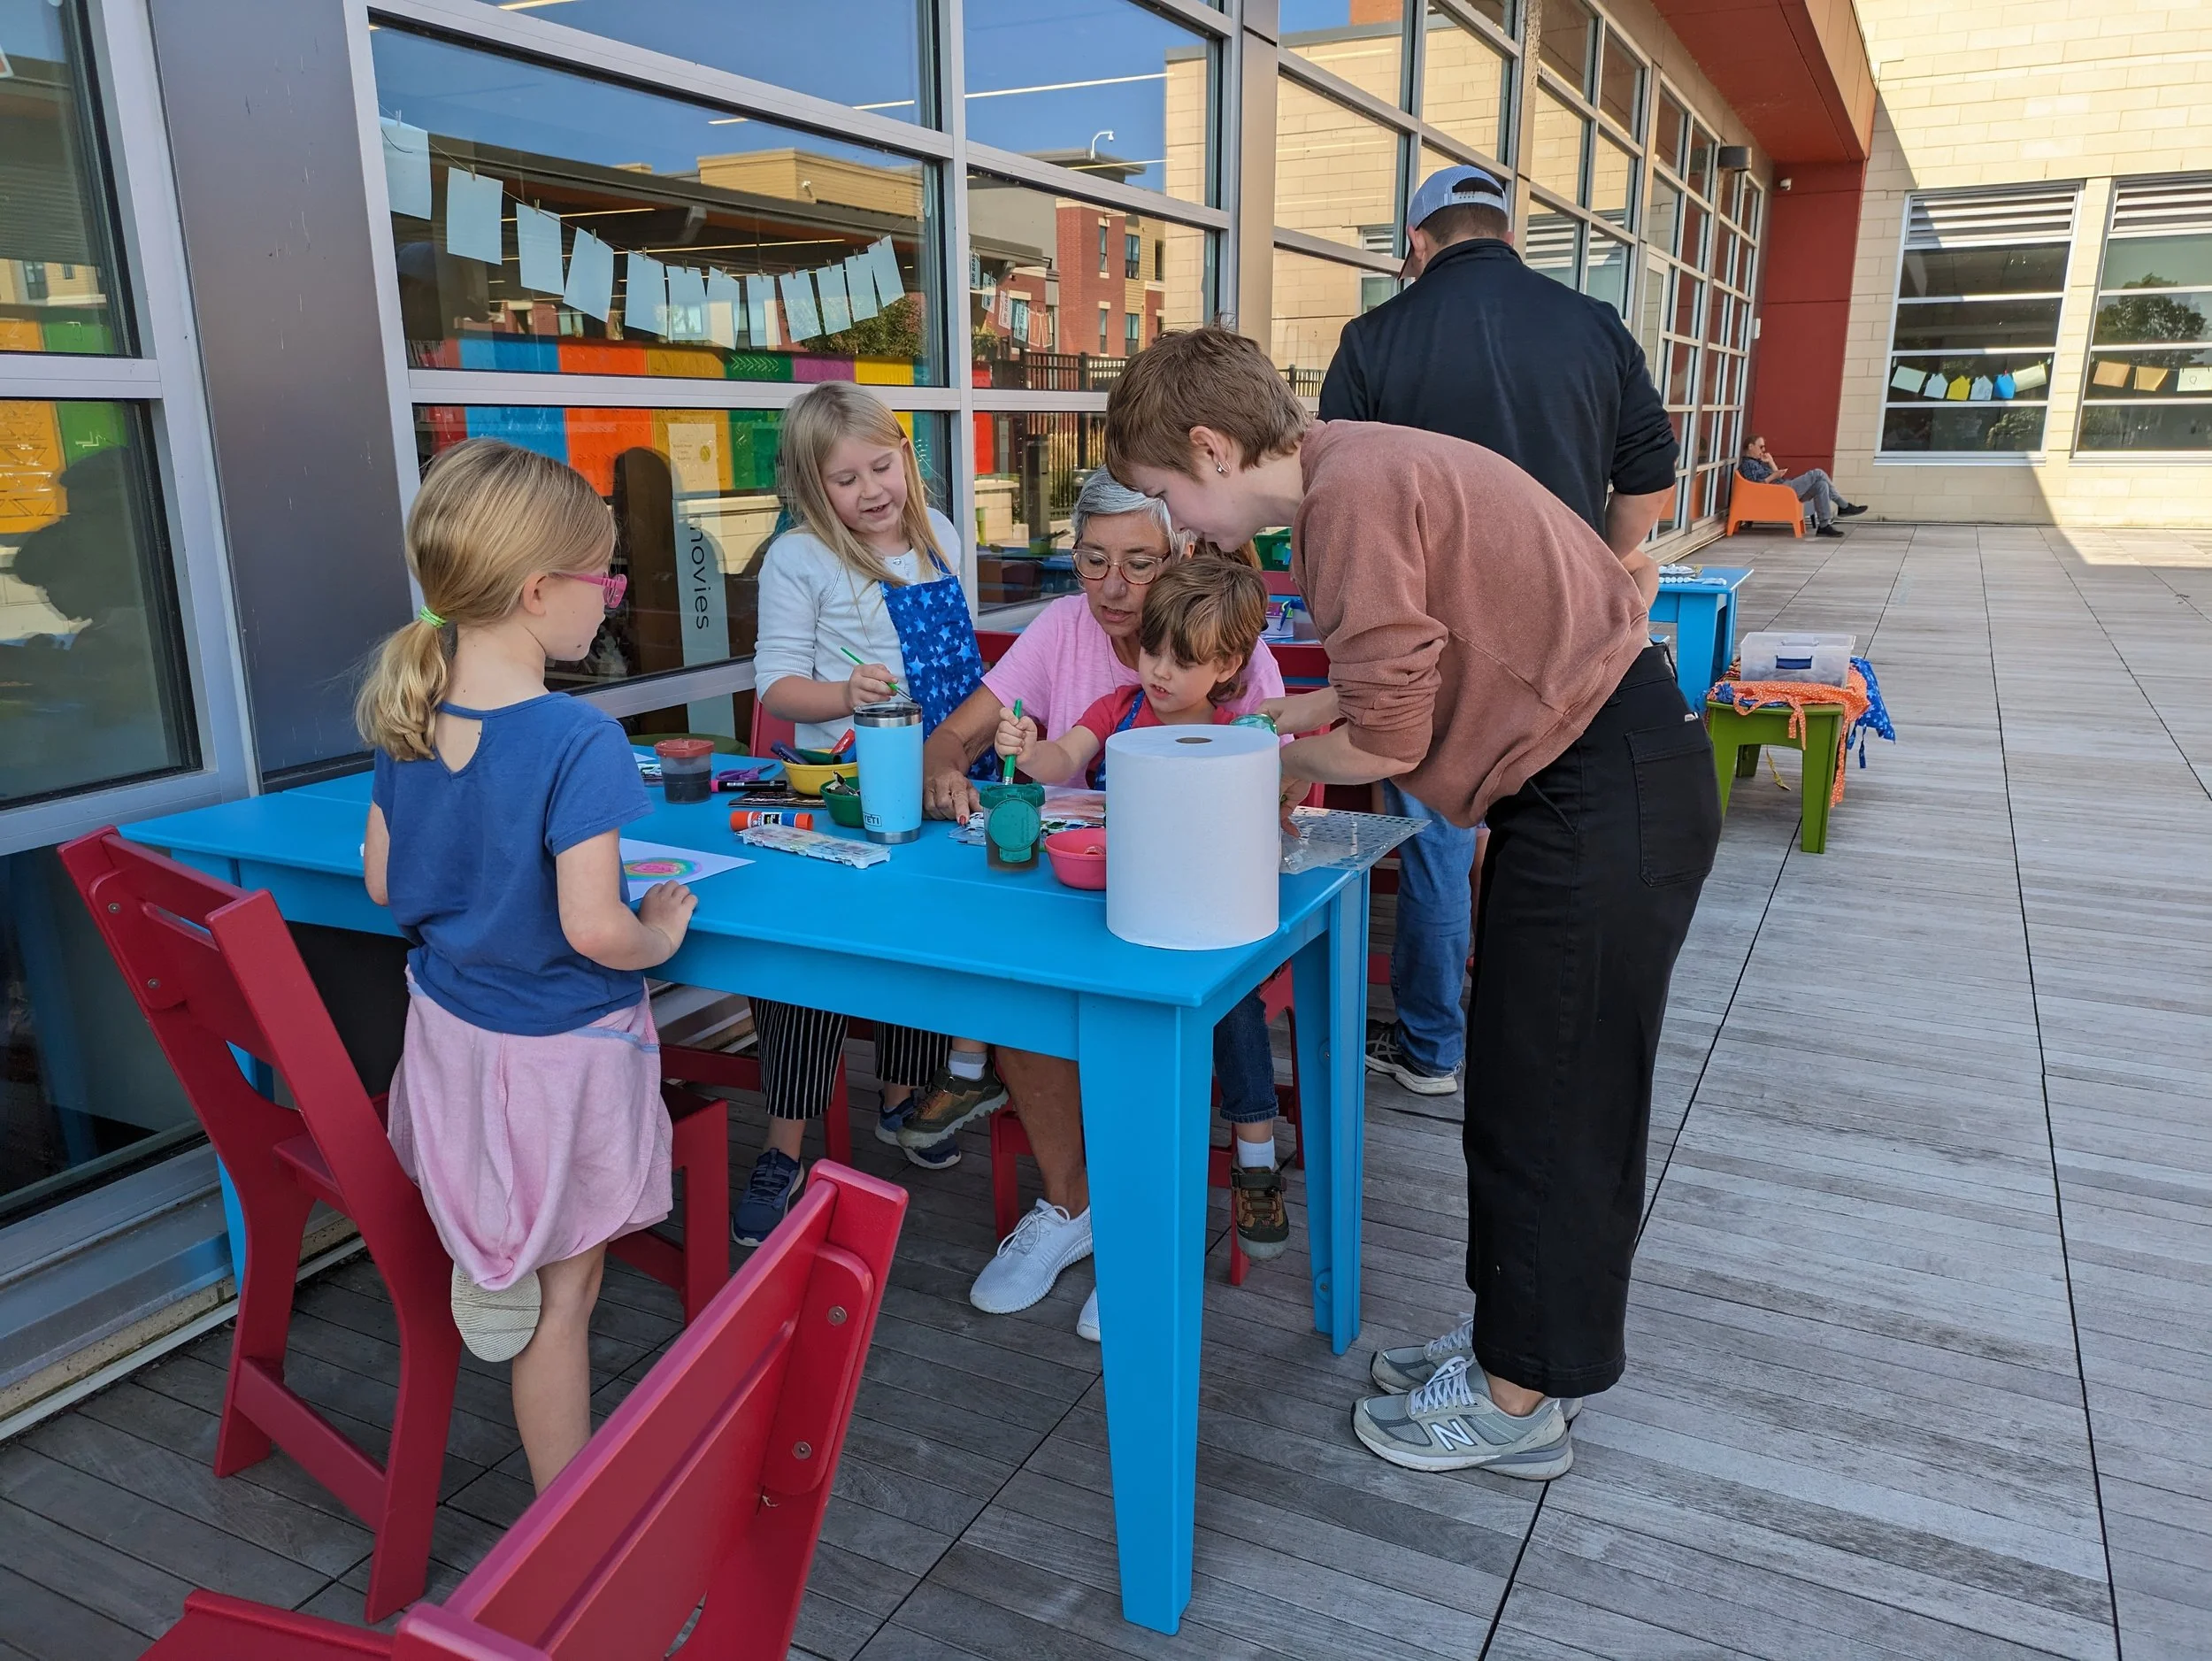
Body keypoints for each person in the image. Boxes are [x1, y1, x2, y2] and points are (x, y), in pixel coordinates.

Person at [1107, 327, 1720, 1480]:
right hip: (1607, 778)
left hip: (1602, 791)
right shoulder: (1354, 462)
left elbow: (1391, 735)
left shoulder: (1347, 507)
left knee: (1556, 1108)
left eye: (1168, 494)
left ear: (1211, 445)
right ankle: (1513, 1346)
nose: (1180, 527)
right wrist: (1286, 723)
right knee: (1521, 1094)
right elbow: (1411, 668)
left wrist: (1275, 763)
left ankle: (1518, 1398)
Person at [357, 438, 697, 1493]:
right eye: (607, 577)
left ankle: (487, 1246)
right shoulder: (574, 738)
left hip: (452, 1039)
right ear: (539, 589)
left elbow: (380, 883)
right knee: (569, 1297)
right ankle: (572, 1526)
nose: (615, 596)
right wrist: (665, 932)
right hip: (559, 1058)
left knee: (515, 1229)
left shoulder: (408, 712)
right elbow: (597, 931)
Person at [1319, 165, 1679, 1100]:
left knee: (1437, 837)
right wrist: (1590, 565)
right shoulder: (1592, 324)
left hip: (1431, 640)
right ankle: (1513, 1026)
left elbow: (1340, 486)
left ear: (1416, 246)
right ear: (1506, 234)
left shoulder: (1375, 335)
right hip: (1565, 651)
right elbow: (1649, 483)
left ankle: (1433, 1043)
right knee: (1542, 843)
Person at [914, 473, 1295, 1338]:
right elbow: (988, 735)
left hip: (1189, 905)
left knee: (1158, 1000)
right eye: (1092, 561)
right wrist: (947, 758)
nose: (1115, 588)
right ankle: (1072, 1202)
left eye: (1139, 562)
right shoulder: (1065, 631)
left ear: (1182, 554)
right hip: (1086, 888)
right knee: (1019, 969)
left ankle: (1144, 1226)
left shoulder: (1227, 647)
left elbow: (1282, 773)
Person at [743, 381, 999, 1242]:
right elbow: (776, 684)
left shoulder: (942, 541)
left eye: (880, 466)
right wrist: (841, 690)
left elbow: (962, 677)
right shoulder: (801, 558)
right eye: (844, 479)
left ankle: (903, 1091)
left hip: (932, 781)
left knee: (929, 936)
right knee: (804, 955)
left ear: (906, 457)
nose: (870, 490)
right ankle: (784, 1141)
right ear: (813, 488)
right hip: (837, 786)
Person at [1740, 434, 1865, 537]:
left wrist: (1771, 463)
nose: (1763, 450)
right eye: (1761, 447)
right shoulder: (1748, 465)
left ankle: (1824, 526)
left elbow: (1777, 478)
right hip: (1779, 491)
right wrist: (1773, 476)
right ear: (1751, 447)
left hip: (1781, 489)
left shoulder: (1759, 462)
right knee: (1817, 473)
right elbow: (1756, 488)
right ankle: (1844, 506)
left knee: (1821, 485)